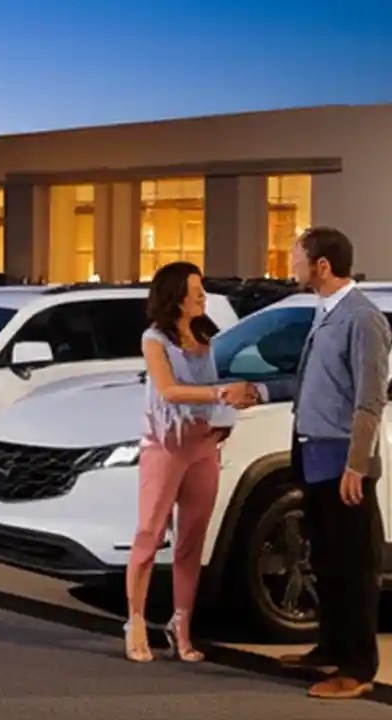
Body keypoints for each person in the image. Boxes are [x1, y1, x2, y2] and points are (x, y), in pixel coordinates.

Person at [253, 227, 392, 700]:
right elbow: (312, 381)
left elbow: (369, 398)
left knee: (353, 565)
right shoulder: (326, 312)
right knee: (327, 560)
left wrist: (357, 464)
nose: (290, 266)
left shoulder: (362, 319)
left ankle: (357, 667)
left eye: (296, 258)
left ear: (323, 266)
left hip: (340, 461)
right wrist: (261, 392)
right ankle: (331, 647)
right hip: (313, 455)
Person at [123, 261, 256, 664]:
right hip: (165, 445)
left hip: (202, 444)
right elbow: (169, 390)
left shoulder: (205, 334)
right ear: (175, 296)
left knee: (192, 538)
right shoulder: (154, 340)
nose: (202, 296)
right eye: (195, 290)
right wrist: (219, 394)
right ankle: (136, 621)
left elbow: (208, 388)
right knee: (149, 533)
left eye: (202, 289)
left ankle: (182, 623)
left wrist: (226, 414)